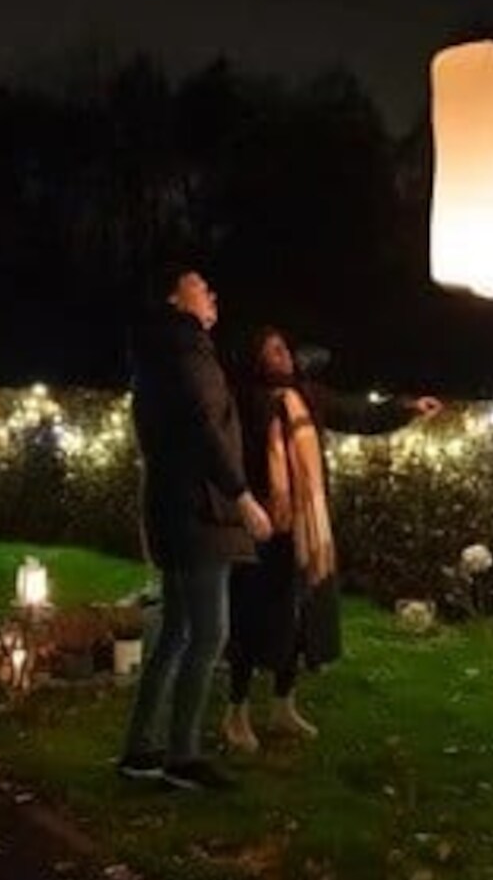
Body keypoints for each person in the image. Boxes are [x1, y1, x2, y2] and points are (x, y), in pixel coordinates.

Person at [220, 326, 441, 752]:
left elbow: (357, 414)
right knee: (252, 619)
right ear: (257, 361)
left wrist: (406, 408)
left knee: (299, 617)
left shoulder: (308, 395)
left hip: (306, 527)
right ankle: (237, 711)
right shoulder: (245, 402)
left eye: (284, 347)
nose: (284, 355)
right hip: (264, 527)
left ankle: (283, 706)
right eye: (273, 350)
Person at [118, 264, 273, 791]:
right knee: (208, 632)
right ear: (173, 296)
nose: (211, 293)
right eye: (199, 285)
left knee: (179, 631)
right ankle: (182, 757)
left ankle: (141, 751)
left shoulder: (157, 354)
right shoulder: (186, 351)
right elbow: (204, 426)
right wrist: (243, 496)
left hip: (173, 506)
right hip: (198, 510)